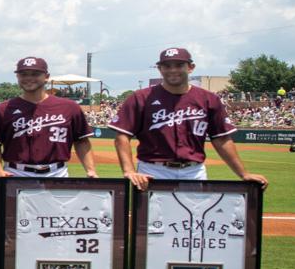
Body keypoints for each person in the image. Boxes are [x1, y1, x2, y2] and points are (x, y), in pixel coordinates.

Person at [112, 47, 267, 190]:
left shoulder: (208, 99)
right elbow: (122, 136)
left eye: (179, 65)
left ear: (190, 67)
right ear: (160, 69)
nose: (173, 70)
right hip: (152, 171)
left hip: (194, 171)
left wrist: (243, 174)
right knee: (151, 219)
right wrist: (129, 171)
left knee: (195, 218)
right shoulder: (141, 97)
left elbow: (221, 139)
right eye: (167, 66)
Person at [0, 56, 98, 179]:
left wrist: (91, 170)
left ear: (46, 77)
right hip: (16, 173)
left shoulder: (69, 107)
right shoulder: (2, 110)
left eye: (35, 74)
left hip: (57, 173)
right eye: (23, 74)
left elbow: (81, 140)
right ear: (17, 77)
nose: (29, 78)